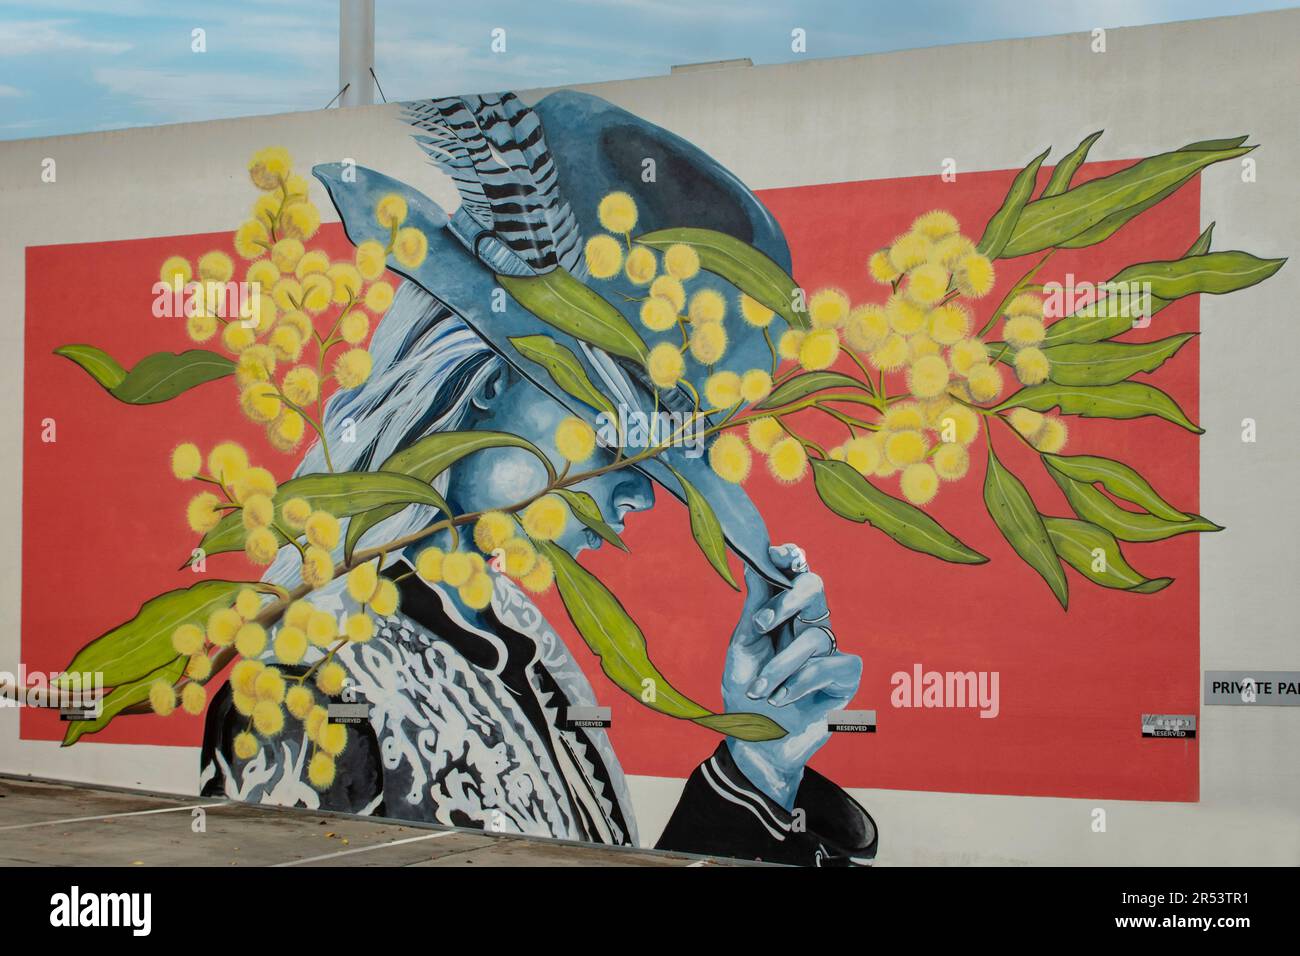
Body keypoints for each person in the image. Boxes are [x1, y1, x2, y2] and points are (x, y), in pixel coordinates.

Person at [201, 91, 878, 865]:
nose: (641, 493)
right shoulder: (310, 681)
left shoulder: (519, 644)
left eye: (662, 467)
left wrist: (760, 759)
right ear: (489, 386)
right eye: (612, 435)